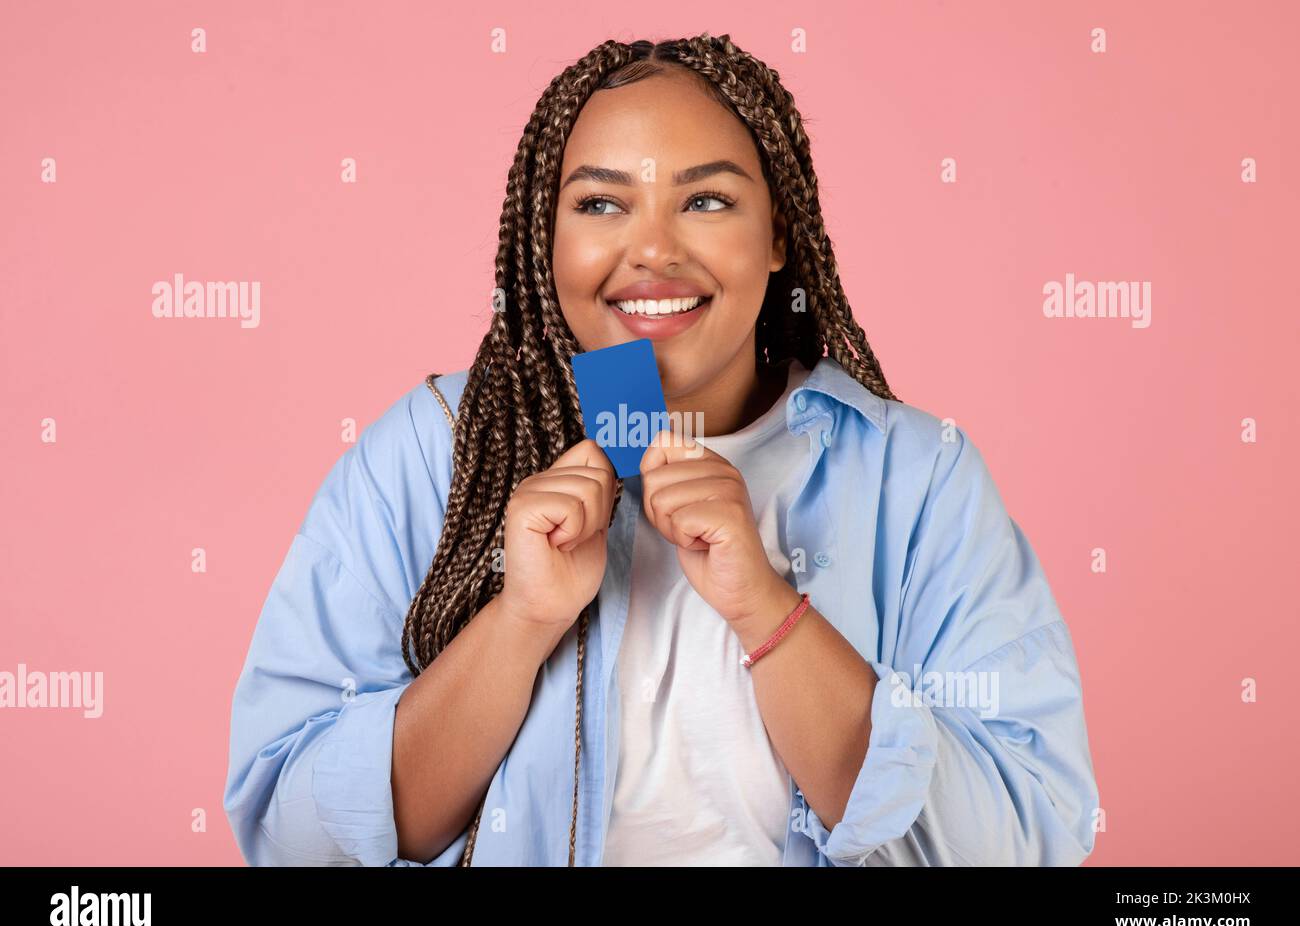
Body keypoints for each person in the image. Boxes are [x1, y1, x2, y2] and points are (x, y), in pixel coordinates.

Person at [223, 33, 1099, 867]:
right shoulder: (432, 451)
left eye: (707, 200)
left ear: (779, 234)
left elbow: (1026, 838)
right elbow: (294, 836)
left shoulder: (917, 476)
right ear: (545, 235)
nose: (650, 251)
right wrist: (520, 624)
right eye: (601, 203)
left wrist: (768, 612)